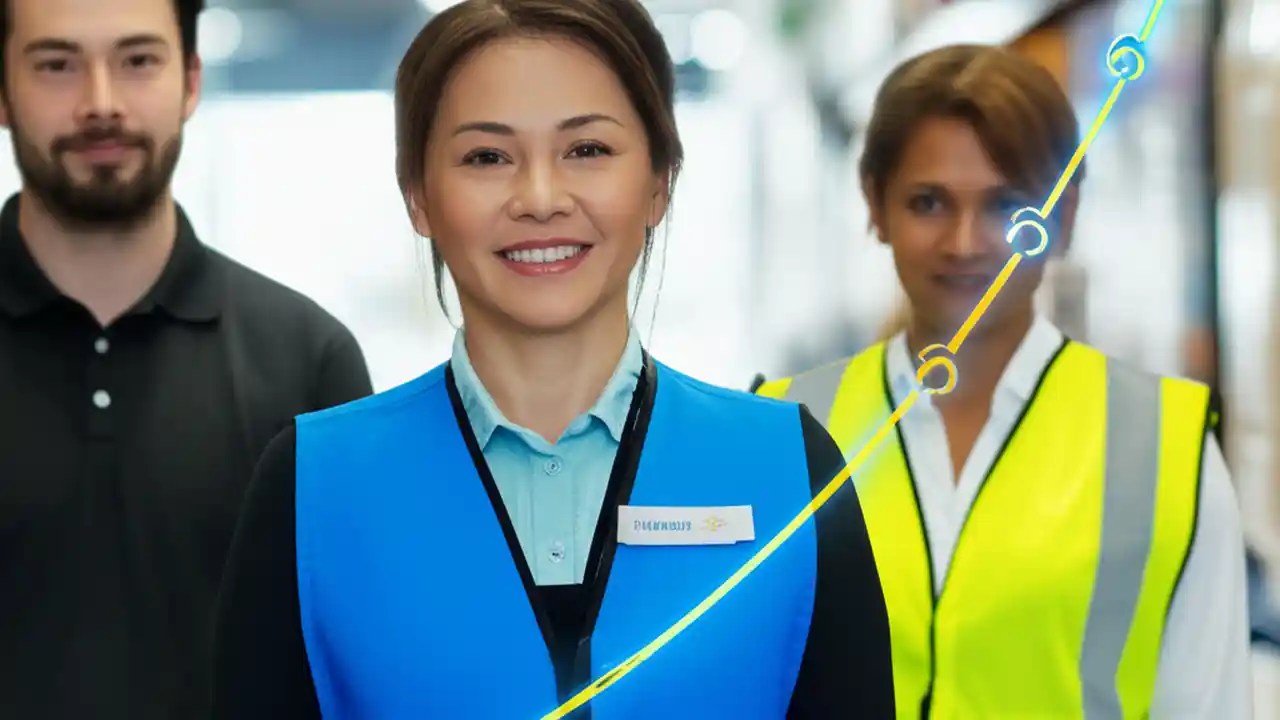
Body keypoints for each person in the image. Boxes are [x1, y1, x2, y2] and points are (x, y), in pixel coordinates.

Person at [208, 1, 894, 717]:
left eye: (587, 150)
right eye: (487, 157)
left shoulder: (787, 469)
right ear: (418, 196)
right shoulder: (315, 485)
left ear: (660, 180)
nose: (540, 198)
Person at [755, 44, 1251, 719]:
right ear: (875, 205)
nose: (965, 242)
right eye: (929, 202)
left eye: (1006, 206)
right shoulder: (779, 428)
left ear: (1065, 215)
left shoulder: (1169, 447)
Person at [0, 0, 373, 717]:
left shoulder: (309, 362)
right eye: (57, 65)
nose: (100, 103)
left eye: (138, 61)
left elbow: (344, 673)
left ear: (191, 79)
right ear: (3, 90)